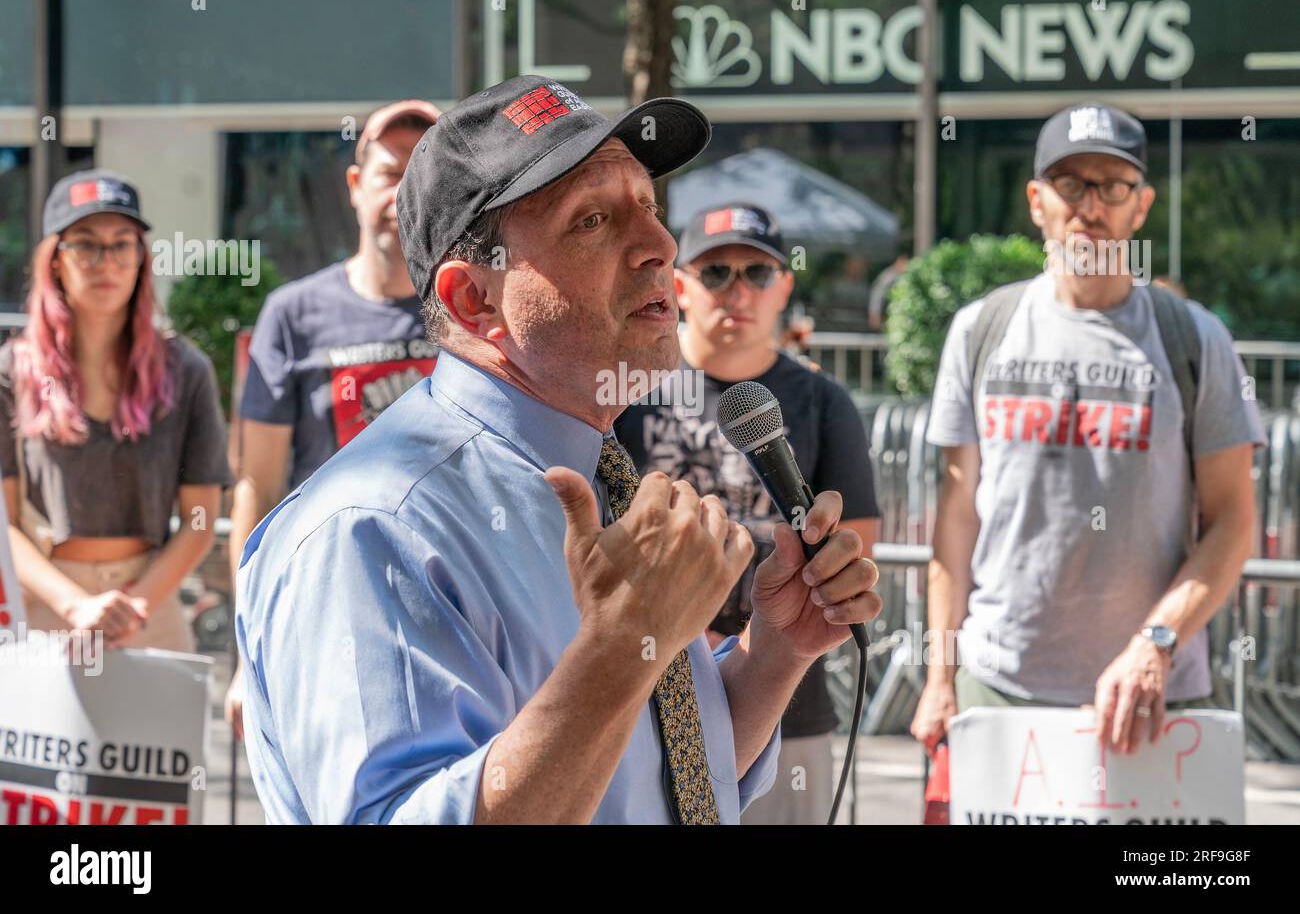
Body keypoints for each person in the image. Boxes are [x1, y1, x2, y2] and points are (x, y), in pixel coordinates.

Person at [234, 75, 882, 824]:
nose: (662, 245)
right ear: (474, 299)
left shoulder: (595, 468)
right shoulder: (371, 527)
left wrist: (775, 655)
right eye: (593, 221)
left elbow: (653, 781)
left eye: (647, 204)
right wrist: (621, 645)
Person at [911, 102, 1263, 758]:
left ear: (1142, 205)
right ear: (1036, 200)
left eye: (1113, 185)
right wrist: (940, 677)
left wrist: (1155, 643)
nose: (1090, 206)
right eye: (1070, 184)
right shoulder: (981, 330)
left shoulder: (1194, 339)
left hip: (1153, 693)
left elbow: (1234, 524)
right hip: (998, 686)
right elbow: (955, 522)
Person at [615, 202, 880, 824]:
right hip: (649, 690)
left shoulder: (823, 400)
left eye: (757, 274)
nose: (737, 291)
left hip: (789, 695)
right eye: (716, 272)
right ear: (679, 285)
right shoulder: (627, 390)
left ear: (784, 285)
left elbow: (855, 553)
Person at [225, 100, 441, 736]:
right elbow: (257, 488)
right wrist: (248, 649)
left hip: (449, 612)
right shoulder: (293, 315)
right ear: (355, 185)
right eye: (388, 171)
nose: (404, 191)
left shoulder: (473, 306)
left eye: (423, 173)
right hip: (322, 612)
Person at [1, 170, 233, 652]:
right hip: (47, 604)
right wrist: (75, 606)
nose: (105, 262)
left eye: (121, 244)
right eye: (85, 244)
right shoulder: (13, 371)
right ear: (56, 262)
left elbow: (198, 522)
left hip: (151, 602)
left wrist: (133, 607)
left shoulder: (186, 370)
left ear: (141, 260)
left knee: (159, 731)